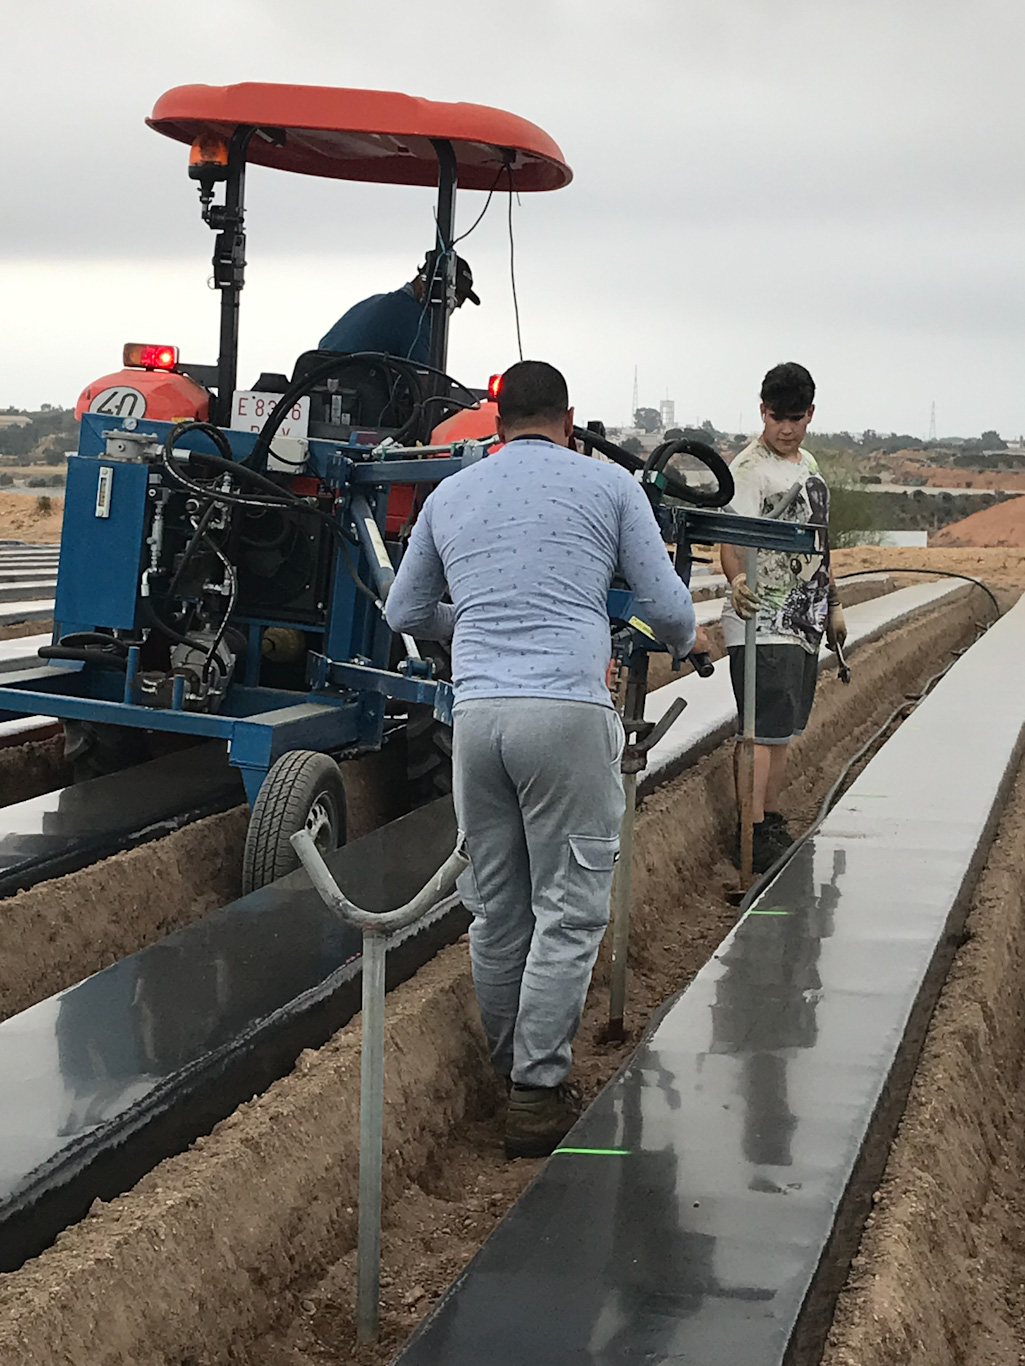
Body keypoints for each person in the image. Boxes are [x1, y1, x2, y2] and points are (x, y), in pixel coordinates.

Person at [385, 360, 708, 1158]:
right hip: (564, 713)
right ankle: (536, 1091)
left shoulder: (451, 494)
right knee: (568, 908)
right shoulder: (608, 488)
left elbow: (405, 609)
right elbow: (667, 607)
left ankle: (511, 1077)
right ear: (570, 420)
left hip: (479, 716)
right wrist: (688, 643)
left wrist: (483, 624)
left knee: (497, 908)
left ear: (496, 422)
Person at [719, 362, 846, 874]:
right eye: (776, 417)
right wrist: (736, 581)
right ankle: (750, 829)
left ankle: (770, 818)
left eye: (795, 418)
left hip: (804, 618)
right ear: (762, 412)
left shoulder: (808, 466)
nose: (785, 428)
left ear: (810, 414)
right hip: (762, 617)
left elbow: (819, 542)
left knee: (785, 727)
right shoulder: (748, 471)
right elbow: (730, 544)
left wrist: (832, 602)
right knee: (761, 727)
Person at [318, 249, 479, 363]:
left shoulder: (377, 303)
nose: (454, 308)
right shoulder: (415, 320)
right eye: (453, 300)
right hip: (360, 403)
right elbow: (426, 388)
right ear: (425, 285)